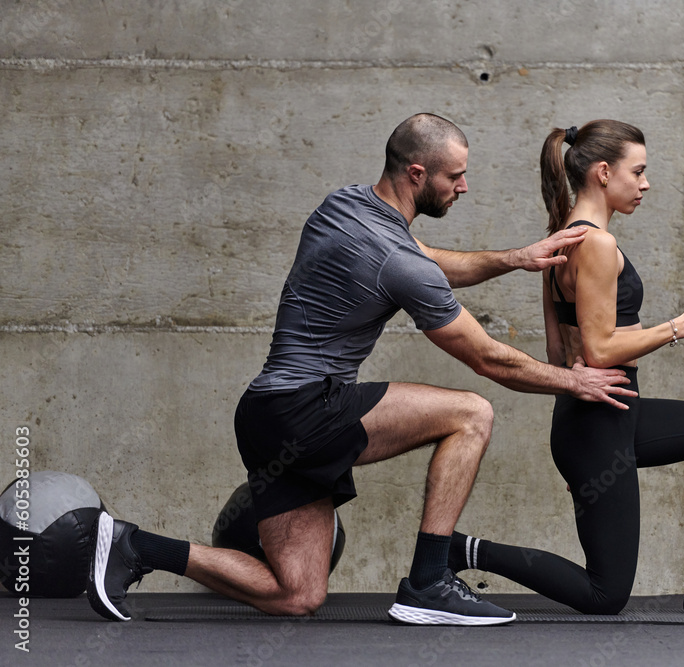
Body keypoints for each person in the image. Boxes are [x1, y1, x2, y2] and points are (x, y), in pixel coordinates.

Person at [86, 113, 637, 626]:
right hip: (309, 409)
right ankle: (428, 581)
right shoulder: (398, 263)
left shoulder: (344, 206)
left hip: (263, 416)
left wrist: (514, 258)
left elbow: (429, 258)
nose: (462, 188)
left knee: (296, 595)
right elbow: (489, 358)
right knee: (471, 414)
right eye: (455, 177)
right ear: (418, 173)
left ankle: (136, 546)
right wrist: (573, 378)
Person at [447, 120, 684, 615]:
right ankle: (460, 549)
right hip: (599, 425)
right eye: (638, 172)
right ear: (603, 172)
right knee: (606, 594)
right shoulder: (597, 245)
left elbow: (562, 351)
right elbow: (599, 352)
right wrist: (680, 326)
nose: (645, 184)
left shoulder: (559, 240)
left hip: (607, 417)